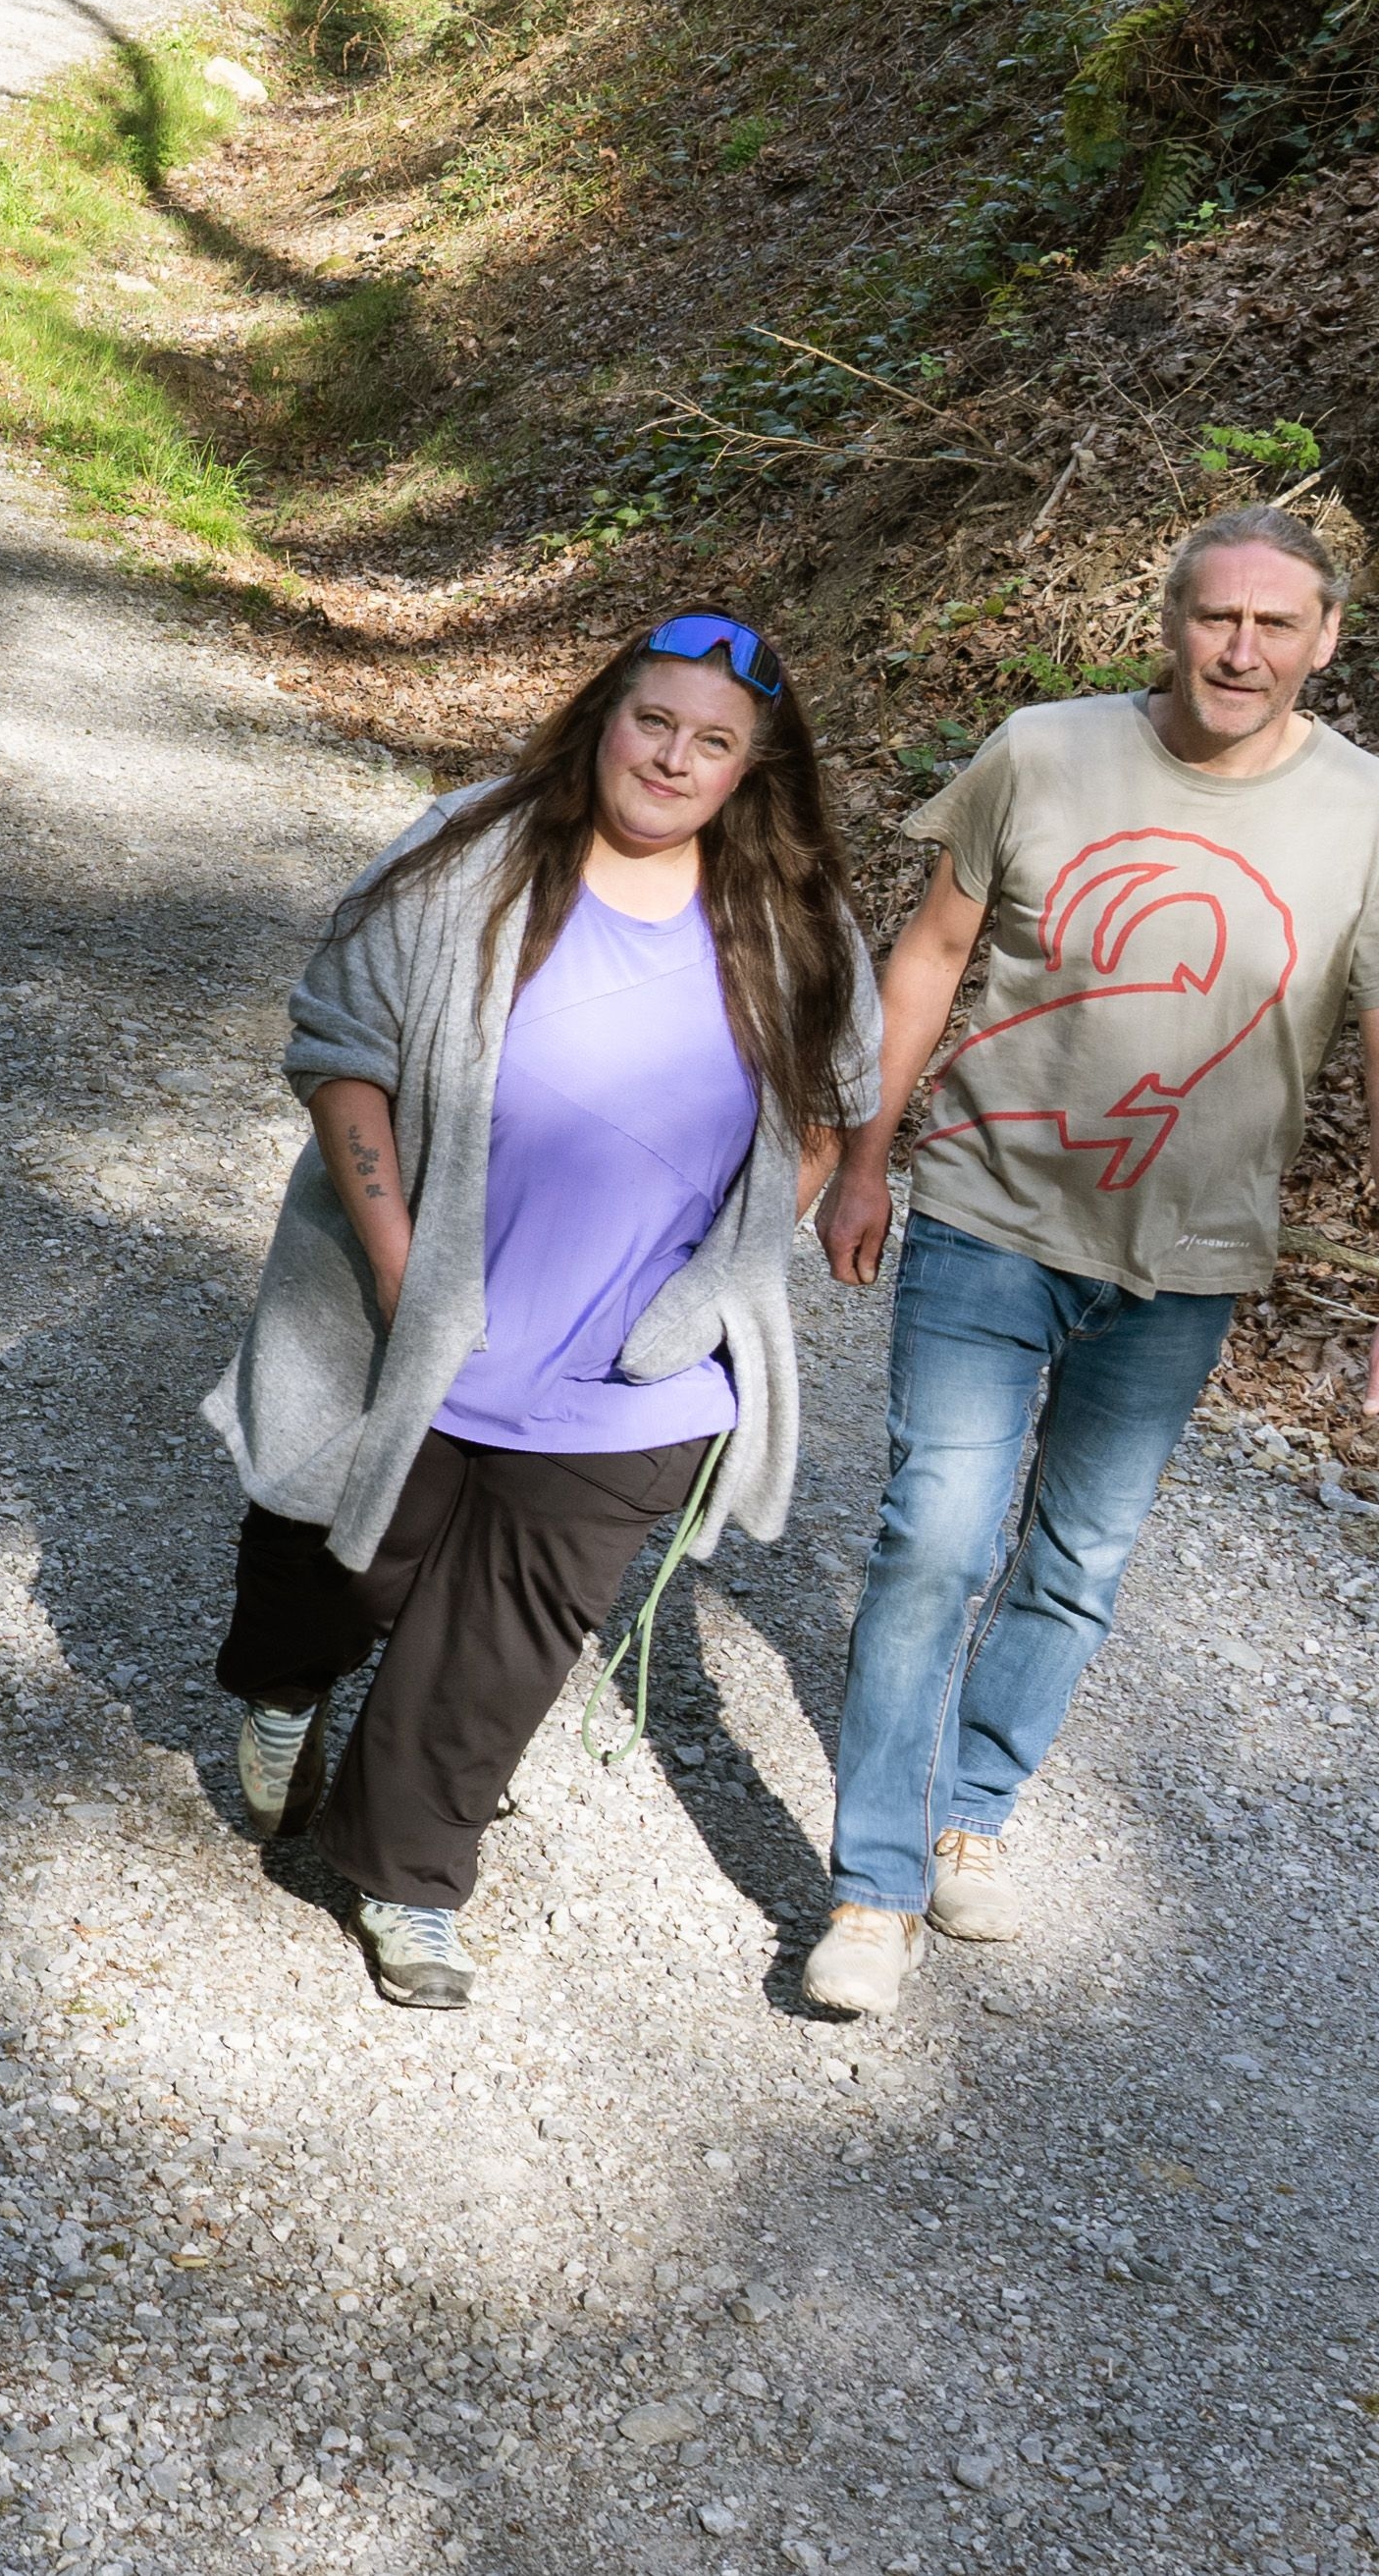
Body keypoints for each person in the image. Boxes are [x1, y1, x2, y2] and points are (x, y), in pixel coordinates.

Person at [804, 504, 1379, 2017]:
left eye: (1276, 624)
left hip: (1192, 1254)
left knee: (1081, 1556)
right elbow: (929, 955)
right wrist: (864, 1149)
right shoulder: (1045, 750)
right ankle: (874, 1884)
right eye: (1216, 617)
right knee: (936, 1535)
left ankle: (972, 1805)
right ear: (1168, 622)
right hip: (992, 1206)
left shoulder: (1377, 818)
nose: (1242, 649)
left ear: (1327, 640)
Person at [202, 612, 883, 2011]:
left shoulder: (790, 919)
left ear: (753, 768)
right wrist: (400, 1267)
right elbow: (340, 1052)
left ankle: (408, 1873)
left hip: (637, 1366)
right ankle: (285, 1685)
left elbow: (834, 1102)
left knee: (511, 1624)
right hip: (433, 1309)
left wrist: (729, 1273)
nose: (674, 758)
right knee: (343, 1556)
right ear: (603, 716)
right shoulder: (470, 852)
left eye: (714, 742)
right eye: (654, 721)